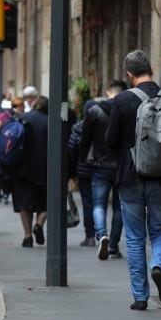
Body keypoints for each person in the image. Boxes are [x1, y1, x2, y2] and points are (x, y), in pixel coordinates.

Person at [105, 50, 161, 311]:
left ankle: (140, 297)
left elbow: (110, 140)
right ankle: (160, 265)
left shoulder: (121, 101)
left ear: (128, 74)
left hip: (129, 176)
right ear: (151, 69)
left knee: (133, 237)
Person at [81, 80, 127, 260]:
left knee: (98, 204)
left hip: (100, 165)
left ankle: (102, 234)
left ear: (108, 91)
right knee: (119, 207)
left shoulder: (94, 111)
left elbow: (85, 140)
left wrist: (83, 159)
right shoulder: (126, 110)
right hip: (122, 166)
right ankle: (114, 246)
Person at [12, 95, 49, 247]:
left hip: (22, 169)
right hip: (45, 168)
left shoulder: (22, 118)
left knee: (24, 203)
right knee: (46, 202)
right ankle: (39, 224)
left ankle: (27, 236)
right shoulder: (51, 121)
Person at [68, 98, 97, 248]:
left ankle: (90, 236)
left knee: (88, 203)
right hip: (102, 169)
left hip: (83, 171)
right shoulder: (105, 124)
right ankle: (103, 233)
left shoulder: (78, 127)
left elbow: (71, 150)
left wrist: (71, 173)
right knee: (100, 203)